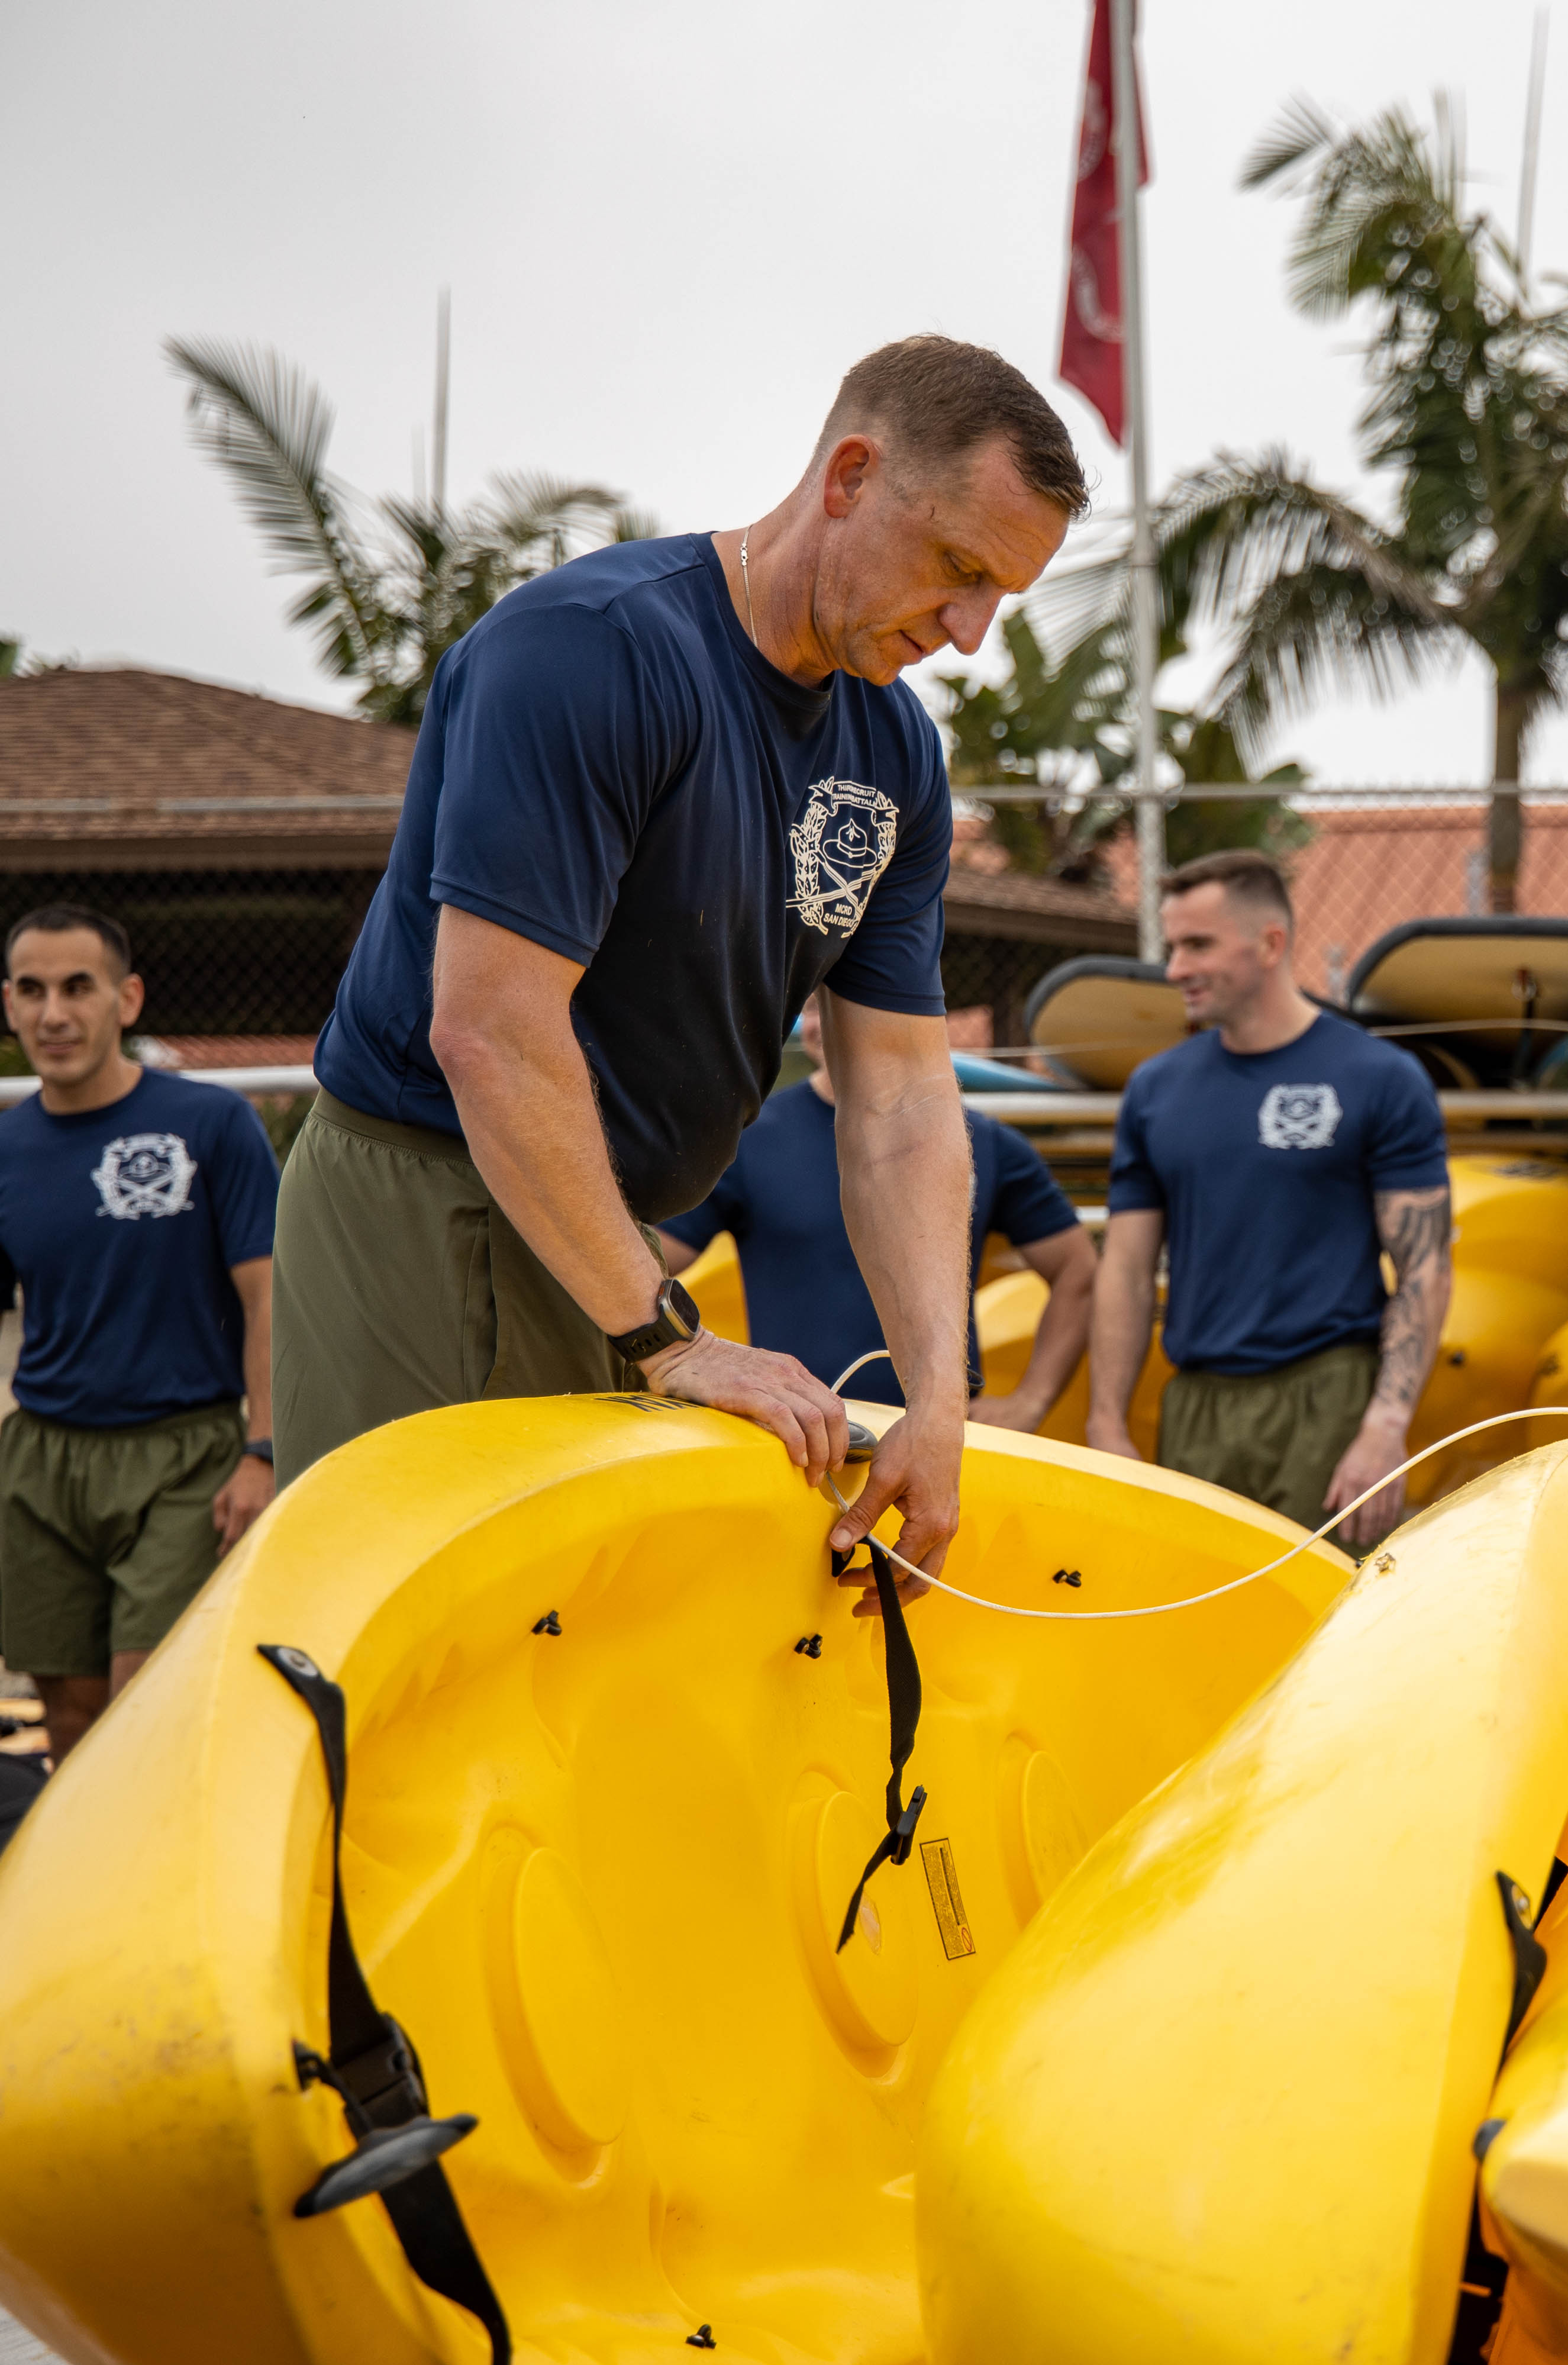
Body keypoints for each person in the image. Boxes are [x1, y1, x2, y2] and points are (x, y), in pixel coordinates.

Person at [273, 337, 1082, 1584]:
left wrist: (939, 1398)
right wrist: (671, 1340)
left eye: (1000, 596)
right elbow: (491, 1031)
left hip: (613, 1233)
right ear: (850, 477)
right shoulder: (590, 648)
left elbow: (900, 1097)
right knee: (422, 1628)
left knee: (594, 1635)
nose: (970, 633)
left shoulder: (895, 754)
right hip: (435, 1192)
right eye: (960, 568)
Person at [1090, 853, 1450, 1546]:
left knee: (1321, 1608)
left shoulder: (1379, 1077)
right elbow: (1126, 1270)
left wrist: (1384, 1425)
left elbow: (1425, 1267)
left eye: (1198, 945)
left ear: (1270, 942)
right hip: (1197, 1404)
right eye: (1172, 947)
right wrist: (1105, 1422)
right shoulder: (1155, 1089)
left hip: (1328, 1400)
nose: (1175, 969)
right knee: (1199, 1603)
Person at [0, 906, 280, 1765]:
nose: (54, 1013)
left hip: (185, 1457)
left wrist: (264, 1448)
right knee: (72, 1720)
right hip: (44, 1459)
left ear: (127, 998)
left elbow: (270, 1295)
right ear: (9, 1004)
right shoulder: (5, 1145)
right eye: (33, 990)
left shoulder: (212, 1124)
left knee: (146, 1712)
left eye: (78, 987)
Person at [656, 992, 1093, 1423]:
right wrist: (688, 1360)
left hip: (940, 1438)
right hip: (795, 1439)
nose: (831, 1019)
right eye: (815, 1005)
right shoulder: (748, 1142)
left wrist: (1031, 1401)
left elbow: (1078, 1270)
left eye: (857, 995)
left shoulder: (982, 1142)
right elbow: (649, 1265)